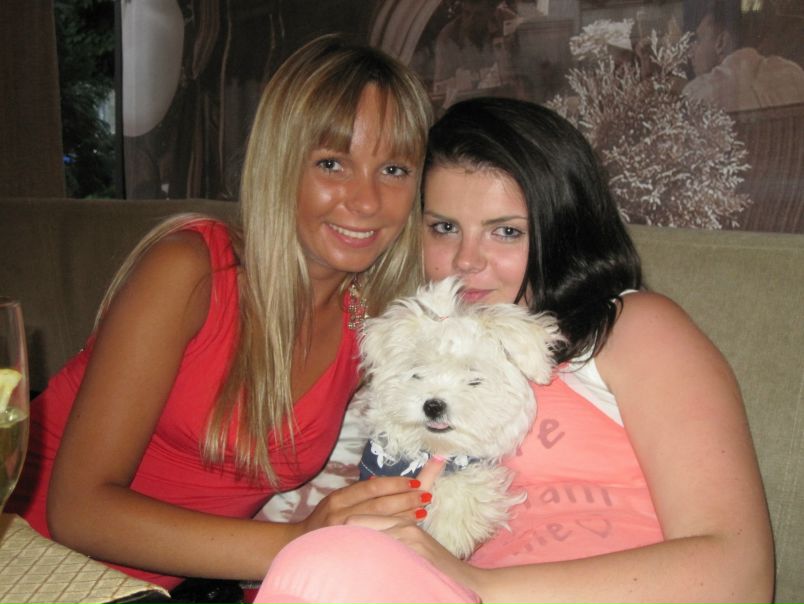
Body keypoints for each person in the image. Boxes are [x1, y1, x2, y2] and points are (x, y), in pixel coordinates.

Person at [253, 97, 774, 603]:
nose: (466, 260)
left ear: (562, 230)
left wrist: (481, 587)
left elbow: (738, 572)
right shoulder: (423, 351)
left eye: (505, 231)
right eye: (444, 228)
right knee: (325, 561)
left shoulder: (631, 327)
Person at [7, 34, 434, 591]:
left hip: (172, 589)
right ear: (280, 166)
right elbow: (77, 512)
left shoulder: (372, 322)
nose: (367, 200)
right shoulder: (192, 271)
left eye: (394, 170)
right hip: (36, 569)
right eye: (332, 164)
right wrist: (300, 540)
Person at [683, 0, 804, 112]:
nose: (690, 52)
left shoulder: (697, 94)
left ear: (721, 43)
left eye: (698, 40)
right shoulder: (794, 74)